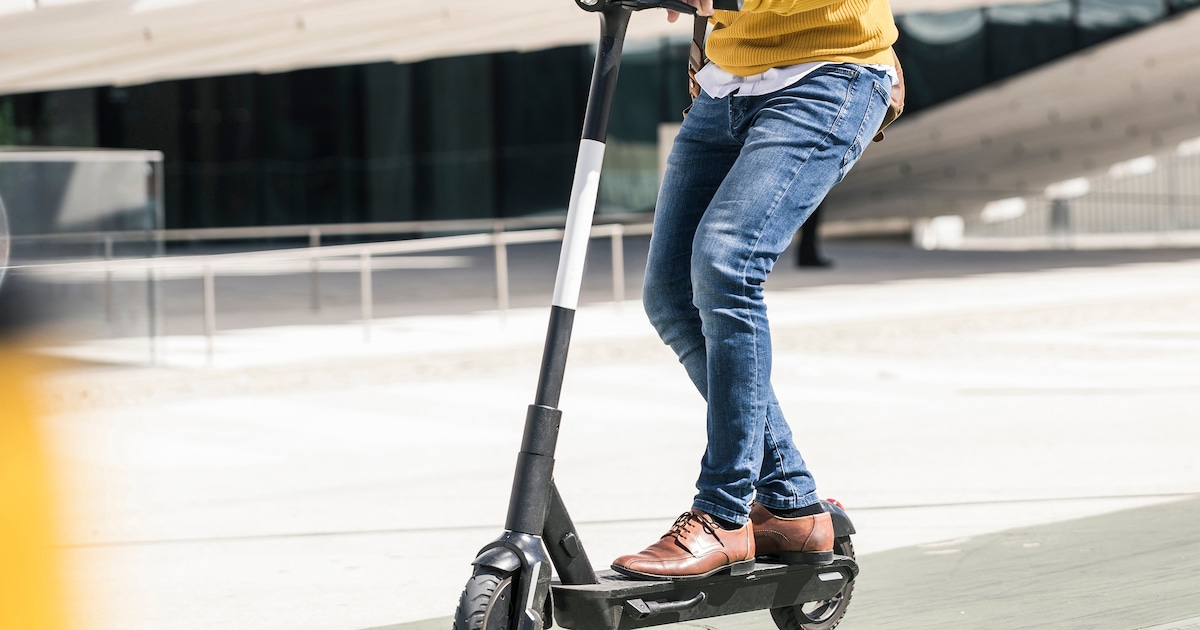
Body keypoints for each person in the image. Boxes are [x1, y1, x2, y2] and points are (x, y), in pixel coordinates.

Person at [612, 0, 902, 580]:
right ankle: (793, 505)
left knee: (726, 264)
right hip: (725, 84)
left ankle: (724, 513)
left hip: (829, 72)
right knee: (670, 294)